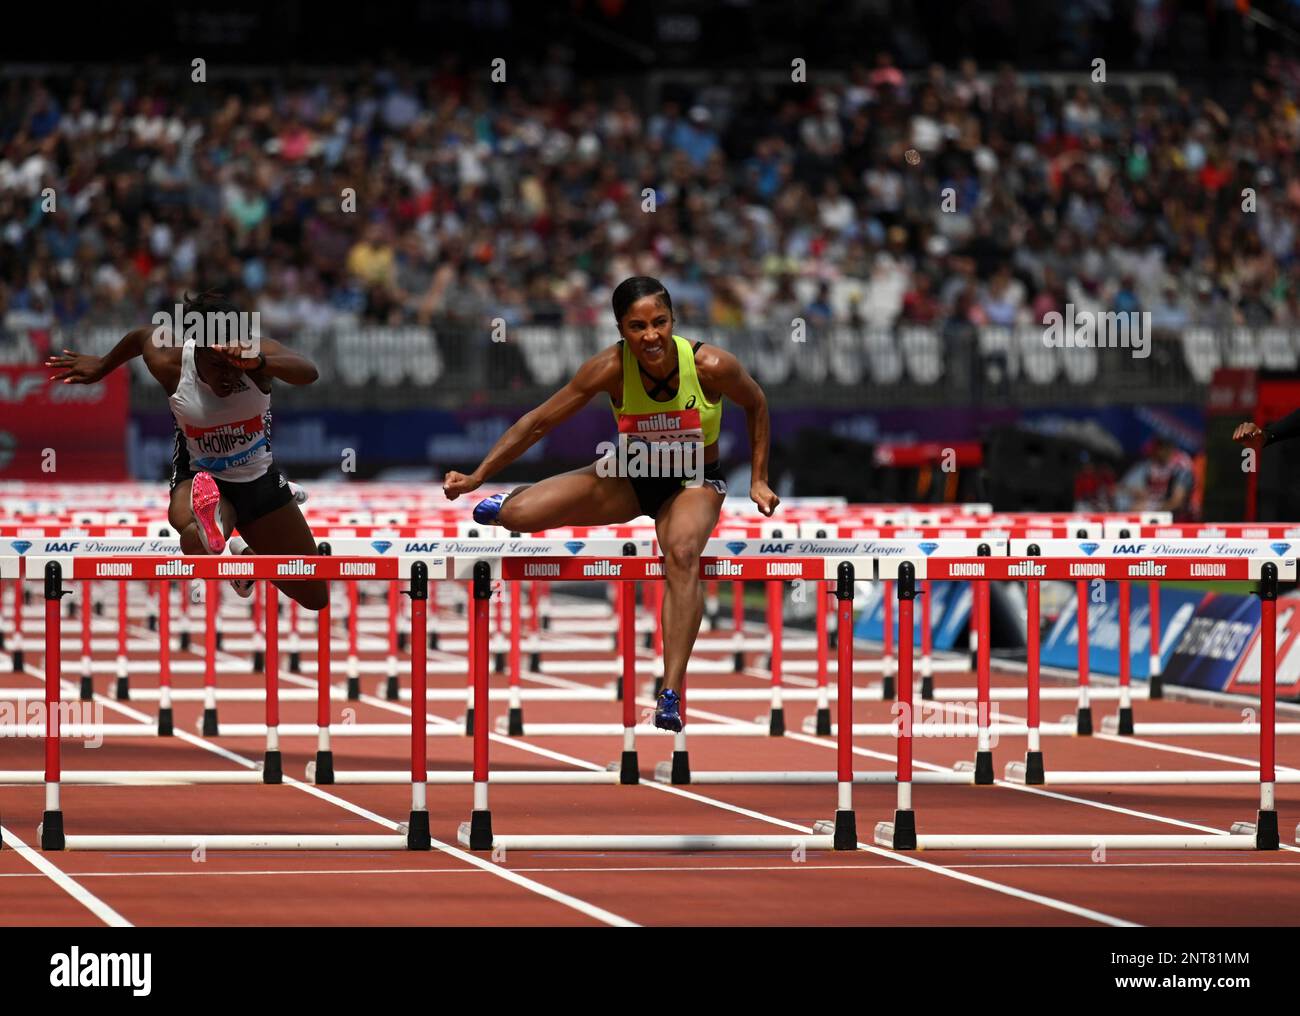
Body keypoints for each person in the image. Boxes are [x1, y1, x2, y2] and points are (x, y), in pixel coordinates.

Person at [442, 276, 779, 731]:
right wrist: (479, 476)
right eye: (638, 327)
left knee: (682, 554)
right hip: (629, 476)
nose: (651, 336)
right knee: (516, 516)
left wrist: (758, 479)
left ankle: (670, 692)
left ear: (673, 320)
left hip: (694, 482)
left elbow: (756, 403)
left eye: (660, 322)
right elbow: (539, 422)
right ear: (621, 329)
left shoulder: (711, 365)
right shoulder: (609, 368)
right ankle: (513, 500)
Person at [45, 291, 328, 609]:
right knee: (191, 535)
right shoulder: (171, 362)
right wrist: (102, 365)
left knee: (315, 597)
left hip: (258, 481)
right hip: (199, 475)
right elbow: (141, 337)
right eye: (217, 365)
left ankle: (241, 553)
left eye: (233, 365)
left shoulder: (255, 356)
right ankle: (216, 526)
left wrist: (260, 362)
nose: (227, 375)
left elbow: (309, 371)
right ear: (196, 351)